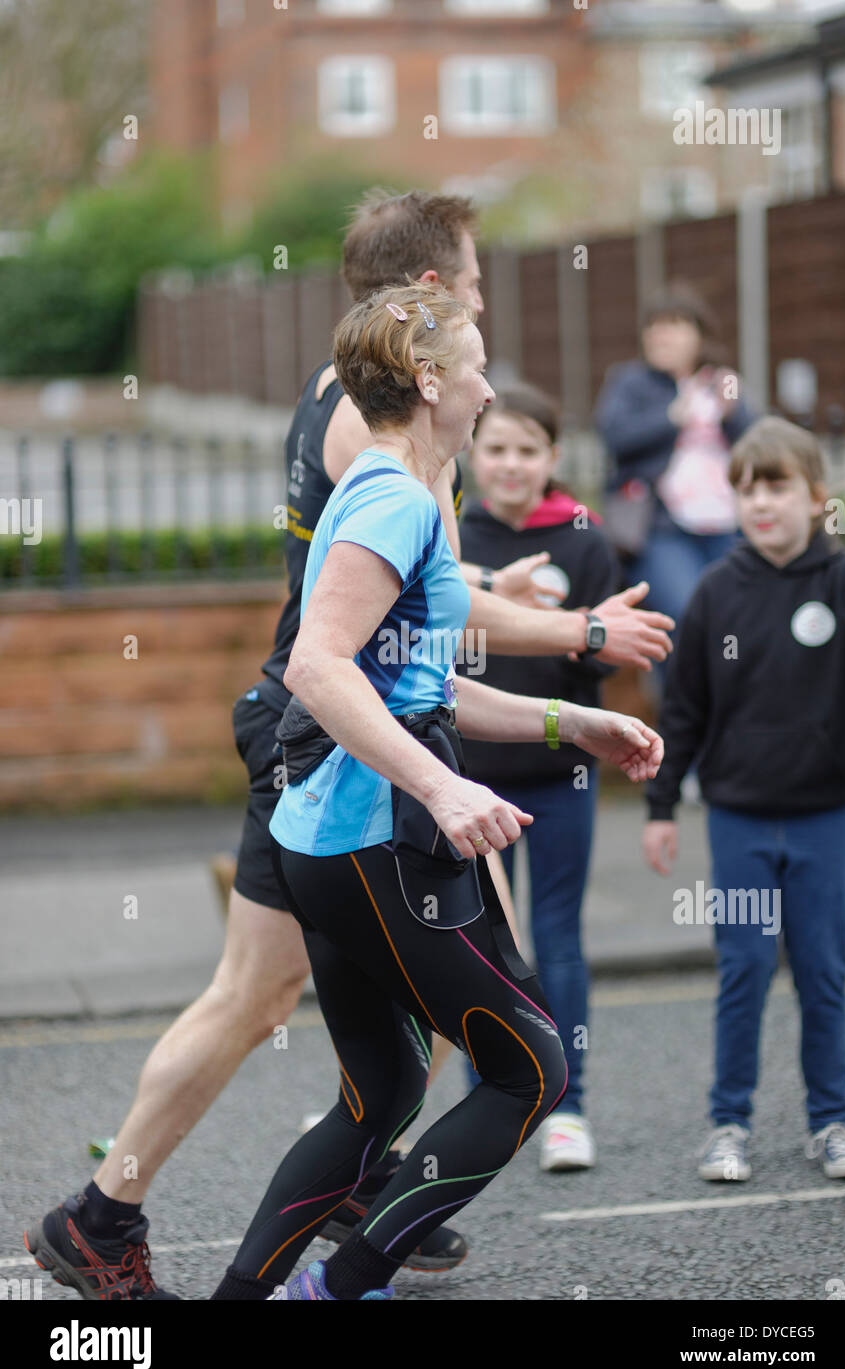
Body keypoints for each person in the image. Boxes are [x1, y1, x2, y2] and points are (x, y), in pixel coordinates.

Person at [24, 191, 674, 1301]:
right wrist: (565, 645)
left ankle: (355, 1209)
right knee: (486, 1055)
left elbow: (411, 654)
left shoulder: (386, 459)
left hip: (343, 775)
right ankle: (140, 1221)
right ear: (426, 337)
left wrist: (569, 710)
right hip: (343, 776)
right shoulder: (386, 469)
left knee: (370, 1068)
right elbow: (335, 660)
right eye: (472, 320)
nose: (485, 358)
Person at [209, 280, 664, 1301]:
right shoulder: (394, 498)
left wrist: (571, 718)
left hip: (333, 839)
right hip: (369, 839)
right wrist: (444, 792)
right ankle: (342, 1285)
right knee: (531, 1067)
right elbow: (321, 669)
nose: (490, 385)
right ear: (428, 381)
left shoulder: (406, 489)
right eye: (476, 364)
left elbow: (417, 680)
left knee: (383, 1096)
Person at [642, 416, 845, 1183]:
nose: (760, 503)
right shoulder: (714, 592)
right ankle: (727, 1123)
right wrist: (661, 807)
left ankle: (831, 1122)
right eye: (745, 490)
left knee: (822, 971)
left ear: (814, 497)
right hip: (736, 819)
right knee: (742, 969)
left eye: (775, 487)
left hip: (824, 819)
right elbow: (684, 711)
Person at [458, 382, 620, 1172]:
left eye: (528, 450)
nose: (511, 464)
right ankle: (487, 1100)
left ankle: (568, 1108)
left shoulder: (586, 540)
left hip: (560, 781)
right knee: (479, 950)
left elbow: (603, 656)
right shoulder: (448, 533)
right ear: (473, 454)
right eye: (496, 448)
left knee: (555, 939)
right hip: (466, 785)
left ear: (553, 458)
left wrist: (596, 644)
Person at [596, 282, 756, 640]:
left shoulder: (720, 380)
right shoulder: (631, 381)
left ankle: (726, 695)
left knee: (736, 615)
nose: (659, 335)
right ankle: (677, 696)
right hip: (659, 525)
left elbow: (755, 446)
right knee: (683, 612)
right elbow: (613, 437)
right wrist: (670, 418)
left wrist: (732, 414)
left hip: (727, 523)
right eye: (653, 326)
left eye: (672, 325)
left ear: (699, 334)